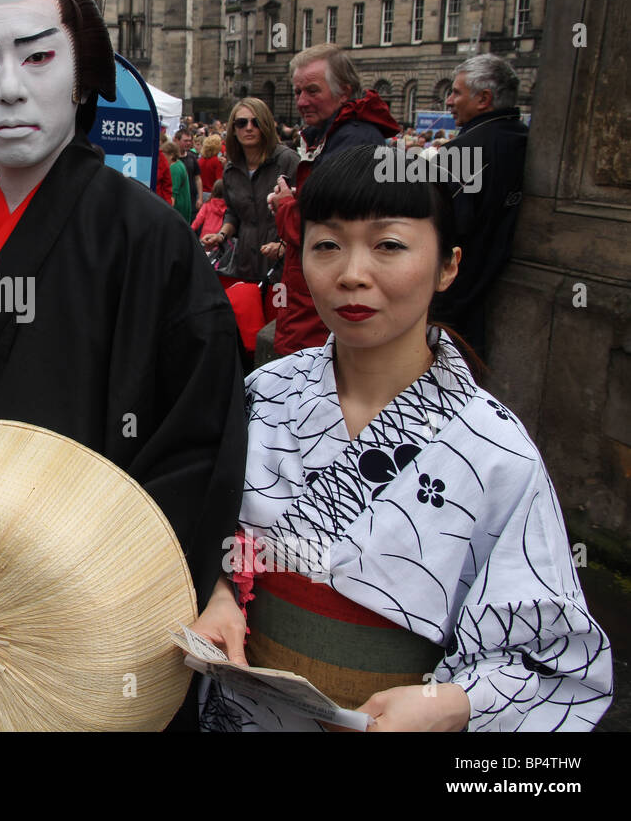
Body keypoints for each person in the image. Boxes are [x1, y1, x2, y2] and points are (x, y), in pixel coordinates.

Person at [0, 0, 248, 728]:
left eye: (39, 57)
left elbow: (196, 435)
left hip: (89, 608)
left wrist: (127, 573)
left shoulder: (149, 239)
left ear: (84, 73)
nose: (8, 89)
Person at [195, 144, 612, 732]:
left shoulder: (496, 451)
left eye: (389, 245)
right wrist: (219, 594)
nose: (352, 273)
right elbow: (205, 531)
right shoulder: (265, 393)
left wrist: (453, 703)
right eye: (326, 245)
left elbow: (557, 662)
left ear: (448, 264)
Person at [268, 44, 399, 357]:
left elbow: (327, 230)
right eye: (297, 91)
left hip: (323, 309)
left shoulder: (353, 139)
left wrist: (286, 204)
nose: (301, 101)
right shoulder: (341, 135)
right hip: (314, 302)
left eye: (312, 90)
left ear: (345, 91)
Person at [432, 54, 530, 359]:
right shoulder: (528, 143)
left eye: (456, 92)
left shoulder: (459, 154)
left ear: (483, 99)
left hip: (452, 307)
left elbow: (441, 233)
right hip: (493, 295)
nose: (449, 100)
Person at [200, 98, 298, 287]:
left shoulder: (287, 161)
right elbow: (233, 213)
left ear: (266, 125)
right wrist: (221, 235)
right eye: (242, 123)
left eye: (256, 122)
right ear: (234, 129)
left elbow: (305, 214)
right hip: (244, 262)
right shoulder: (231, 170)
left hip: (280, 267)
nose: (249, 128)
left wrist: (284, 245)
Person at [173, 125, 201, 219]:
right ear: (176, 140)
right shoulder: (171, 158)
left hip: (191, 199)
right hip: (176, 200)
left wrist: (200, 198)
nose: (188, 143)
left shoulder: (192, 157)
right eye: (185, 141)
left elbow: (197, 178)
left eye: (190, 141)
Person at [161, 140, 191, 222]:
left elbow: (172, 195)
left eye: (164, 155)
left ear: (171, 155)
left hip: (178, 210)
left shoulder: (174, 169)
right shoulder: (179, 164)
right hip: (183, 208)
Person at [196, 134, 224, 198]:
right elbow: (219, 182)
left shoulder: (200, 160)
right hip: (211, 195)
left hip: (199, 194)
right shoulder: (217, 161)